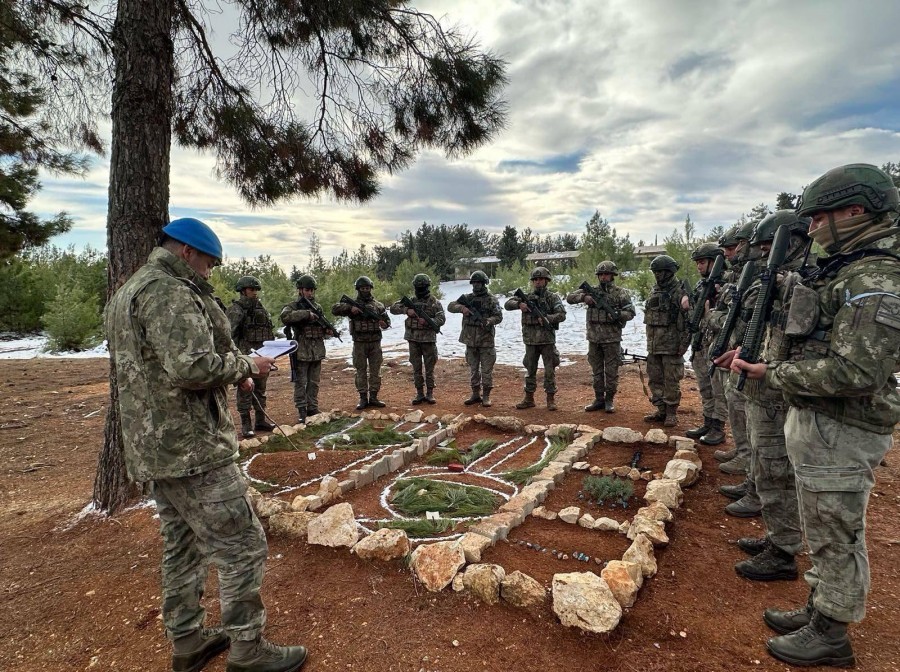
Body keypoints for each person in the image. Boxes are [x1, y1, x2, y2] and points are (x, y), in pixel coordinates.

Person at [105, 217, 307, 672]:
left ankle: (188, 640)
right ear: (187, 252)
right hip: (192, 448)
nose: (210, 273)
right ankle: (248, 650)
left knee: (183, 545)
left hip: (156, 448)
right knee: (243, 543)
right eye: (209, 263)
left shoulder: (129, 292)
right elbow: (192, 368)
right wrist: (246, 367)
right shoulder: (170, 292)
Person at [731, 164, 900, 667]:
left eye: (821, 217)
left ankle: (832, 634)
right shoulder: (848, 269)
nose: (814, 229)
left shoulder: (875, 277)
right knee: (824, 524)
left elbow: (859, 372)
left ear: (856, 210)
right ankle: (822, 608)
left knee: (836, 528)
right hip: (825, 421)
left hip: (845, 425)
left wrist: (773, 373)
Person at [724, 211, 812, 583]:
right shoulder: (773, 284)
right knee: (766, 463)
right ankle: (778, 540)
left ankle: (784, 549)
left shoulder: (805, 283)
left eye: (766, 247)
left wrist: (769, 371)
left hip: (780, 391)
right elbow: (764, 332)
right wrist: (744, 354)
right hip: (765, 388)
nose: (760, 254)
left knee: (777, 469)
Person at [566, 260, 635, 412]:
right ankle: (599, 399)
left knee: (611, 372)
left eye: (607, 274)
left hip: (612, 339)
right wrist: (584, 298)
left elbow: (631, 312)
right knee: (596, 371)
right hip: (594, 339)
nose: (604, 277)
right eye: (601, 274)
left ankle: (609, 400)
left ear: (613, 276)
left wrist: (617, 314)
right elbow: (570, 298)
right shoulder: (590, 291)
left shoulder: (620, 293)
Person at [504, 266, 567, 410]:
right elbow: (507, 304)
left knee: (549, 371)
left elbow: (562, 314)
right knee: (530, 369)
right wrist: (520, 305)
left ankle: (550, 399)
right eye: (536, 279)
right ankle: (529, 398)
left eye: (541, 279)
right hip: (530, 340)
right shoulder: (525, 297)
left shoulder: (553, 297)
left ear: (546, 281)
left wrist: (548, 318)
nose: (538, 282)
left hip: (547, 341)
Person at [684, 244, 728, 443]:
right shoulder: (701, 285)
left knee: (718, 389)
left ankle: (718, 428)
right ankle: (708, 422)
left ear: (714, 261)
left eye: (702, 262)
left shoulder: (727, 285)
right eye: (697, 263)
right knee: (705, 387)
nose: (698, 267)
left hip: (718, 345)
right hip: (700, 342)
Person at [281, 274, 337, 424]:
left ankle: (312, 407)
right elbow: (285, 317)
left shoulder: (318, 307)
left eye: (312, 290)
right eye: (307, 290)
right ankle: (302, 409)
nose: (310, 293)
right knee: (301, 382)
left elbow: (323, 325)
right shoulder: (293, 306)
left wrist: (328, 331)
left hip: (317, 350)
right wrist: (305, 314)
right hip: (302, 350)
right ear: (300, 290)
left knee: (314, 382)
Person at [642, 254, 691, 427]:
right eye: (655, 272)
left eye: (660, 272)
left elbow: (688, 321)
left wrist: (684, 344)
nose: (657, 275)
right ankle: (660, 410)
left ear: (669, 272)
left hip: (672, 346)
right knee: (655, 379)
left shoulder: (680, 292)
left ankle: (671, 412)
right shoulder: (655, 290)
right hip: (654, 346)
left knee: (671, 380)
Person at [226, 276, 277, 439]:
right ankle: (246, 424)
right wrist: (236, 357)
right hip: (245, 356)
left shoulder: (260, 308)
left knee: (261, 389)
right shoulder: (236, 309)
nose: (254, 293)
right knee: (245, 390)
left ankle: (260, 420)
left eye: (256, 290)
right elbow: (228, 336)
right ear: (243, 291)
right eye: (251, 289)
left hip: (261, 354)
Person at [331, 276, 391, 410]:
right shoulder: (352, 305)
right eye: (363, 288)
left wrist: (384, 323)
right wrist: (350, 309)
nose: (365, 290)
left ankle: (374, 397)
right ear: (358, 289)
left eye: (367, 288)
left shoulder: (378, 305)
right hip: (359, 343)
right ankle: (363, 397)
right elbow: (335, 309)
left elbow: (387, 322)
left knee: (375, 371)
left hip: (375, 342)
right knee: (361, 370)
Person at [447, 270, 503, 407]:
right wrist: (462, 308)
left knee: (486, 370)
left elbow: (499, 316)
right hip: (470, 340)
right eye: (475, 283)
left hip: (486, 341)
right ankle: (475, 394)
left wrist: (489, 321)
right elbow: (450, 306)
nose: (477, 285)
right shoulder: (468, 298)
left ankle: (486, 396)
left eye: (479, 283)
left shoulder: (491, 299)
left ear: (484, 284)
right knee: (473, 369)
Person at [390, 273, 446, 405]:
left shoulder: (434, 302)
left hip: (428, 340)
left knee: (429, 368)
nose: (421, 289)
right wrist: (406, 310)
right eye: (419, 287)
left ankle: (430, 393)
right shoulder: (411, 301)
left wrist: (428, 321)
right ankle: (419, 393)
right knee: (416, 368)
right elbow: (393, 308)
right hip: (413, 339)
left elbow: (441, 319)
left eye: (423, 286)